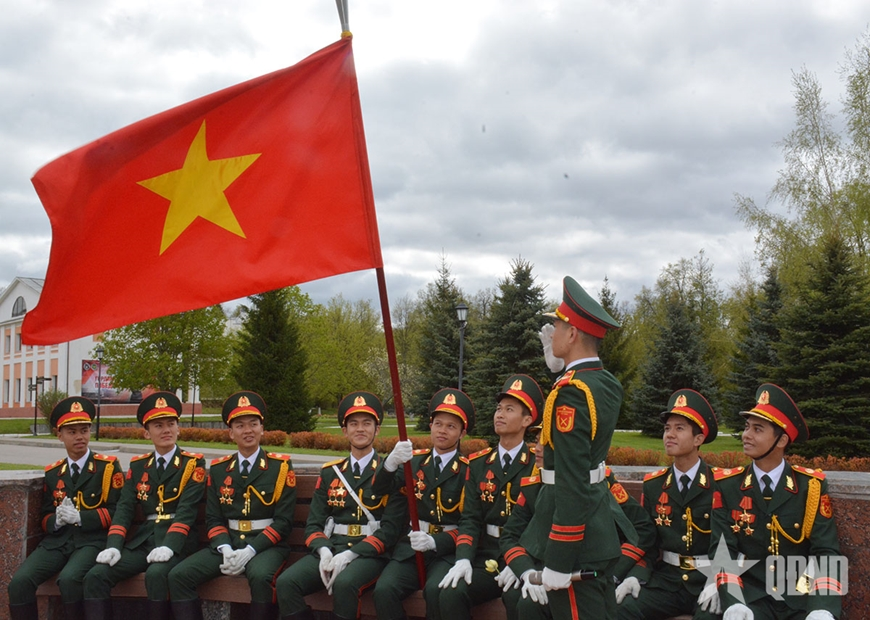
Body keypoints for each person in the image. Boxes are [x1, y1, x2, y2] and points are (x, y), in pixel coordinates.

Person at [524, 275, 631, 620]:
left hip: (574, 540)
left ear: (572, 334)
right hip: (596, 523)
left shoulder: (571, 391)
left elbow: (569, 477)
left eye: (556, 327)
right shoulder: (603, 382)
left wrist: (558, 559)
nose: (551, 334)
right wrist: (562, 369)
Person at [711, 384, 843, 620]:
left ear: (781, 440)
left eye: (758, 429)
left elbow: (827, 552)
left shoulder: (809, 487)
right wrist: (733, 601)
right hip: (750, 598)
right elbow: (723, 551)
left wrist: (822, 608)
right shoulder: (727, 486)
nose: (746, 435)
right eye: (747, 427)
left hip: (800, 599)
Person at [275, 391, 406, 620]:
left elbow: (390, 530)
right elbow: (314, 523)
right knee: (287, 582)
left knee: (345, 584)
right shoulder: (330, 472)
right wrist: (324, 551)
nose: (360, 429)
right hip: (332, 549)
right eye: (353, 424)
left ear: (377, 429)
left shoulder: (391, 471)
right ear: (345, 431)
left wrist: (350, 555)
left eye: (367, 423)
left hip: (369, 555)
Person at [168, 391, 296, 620]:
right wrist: (225, 549)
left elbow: (283, 522)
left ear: (262, 428)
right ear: (230, 433)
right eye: (240, 425)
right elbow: (214, 520)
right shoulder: (219, 469)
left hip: (266, 546)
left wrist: (250, 550)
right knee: (179, 575)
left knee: (260, 576)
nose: (248, 430)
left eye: (253, 424)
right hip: (229, 543)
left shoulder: (281, 467)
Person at [82, 392, 206, 620]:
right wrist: (114, 545)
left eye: (171, 424)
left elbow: (187, 510)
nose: (166, 430)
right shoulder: (139, 466)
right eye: (158, 425)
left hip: (177, 543)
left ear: (179, 428)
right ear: (147, 433)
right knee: (97, 575)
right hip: (144, 541)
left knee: (156, 574)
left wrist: (170, 545)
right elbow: (125, 508)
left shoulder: (192, 463)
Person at [500, 438, 654, 620]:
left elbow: (642, 528)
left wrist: (613, 571)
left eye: (547, 444)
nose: (538, 449)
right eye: (537, 442)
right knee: (521, 599)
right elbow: (510, 535)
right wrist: (526, 571)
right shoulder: (534, 486)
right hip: (546, 572)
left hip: (588, 573)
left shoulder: (598, 481)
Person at [435, 375, 544, 620]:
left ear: (527, 419)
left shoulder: (536, 464)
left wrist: (523, 562)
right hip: (487, 556)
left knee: (519, 599)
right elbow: (471, 519)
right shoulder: (479, 463)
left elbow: (541, 521)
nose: (500, 415)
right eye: (498, 409)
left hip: (524, 556)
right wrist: (463, 559)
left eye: (509, 409)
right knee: (451, 592)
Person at [7, 397, 123, 620]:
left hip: (91, 540)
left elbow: (118, 512)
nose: (80, 436)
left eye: (84, 430)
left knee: (70, 579)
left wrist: (81, 517)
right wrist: (57, 521)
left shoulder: (106, 467)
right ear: (59, 435)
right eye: (72, 431)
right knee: (19, 583)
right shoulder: (54, 472)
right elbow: (44, 517)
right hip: (57, 543)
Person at [616, 388, 721, 620]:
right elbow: (649, 540)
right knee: (620, 610)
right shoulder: (655, 485)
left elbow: (733, 542)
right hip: (667, 580)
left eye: (679, 428)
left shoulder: (721, 484)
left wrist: (721, 579)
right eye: (667, 428)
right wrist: (636, 575)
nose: (669, 435)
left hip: (708, 580)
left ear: (698, 439)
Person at [371, 388, 475, 620]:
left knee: (435, 591)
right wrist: (390, 463)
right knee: (384, 590)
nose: (442, 431)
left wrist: (435, 542)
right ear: (430, 426)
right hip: (411, 549)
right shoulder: (413, 462)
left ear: (462, 433)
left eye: (451, 426)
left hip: (445, 551)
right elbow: (378, 490)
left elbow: (471, 521)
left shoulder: (469, 471)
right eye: (438, 424)